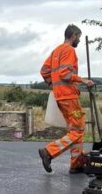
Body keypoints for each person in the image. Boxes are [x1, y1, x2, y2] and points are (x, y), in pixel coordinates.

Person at [39, 25, 95, 174]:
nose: (79, 40)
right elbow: (65, 74)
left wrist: (53, 85)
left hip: (60, 96)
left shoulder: (56, 51)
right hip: (69, 96)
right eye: (79, 37)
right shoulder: (69, 50)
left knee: (74, 130)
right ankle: (49, 152)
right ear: (74, 36)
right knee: (78, 130)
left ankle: (76, 164)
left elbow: (44, 71)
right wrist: (83, 81)